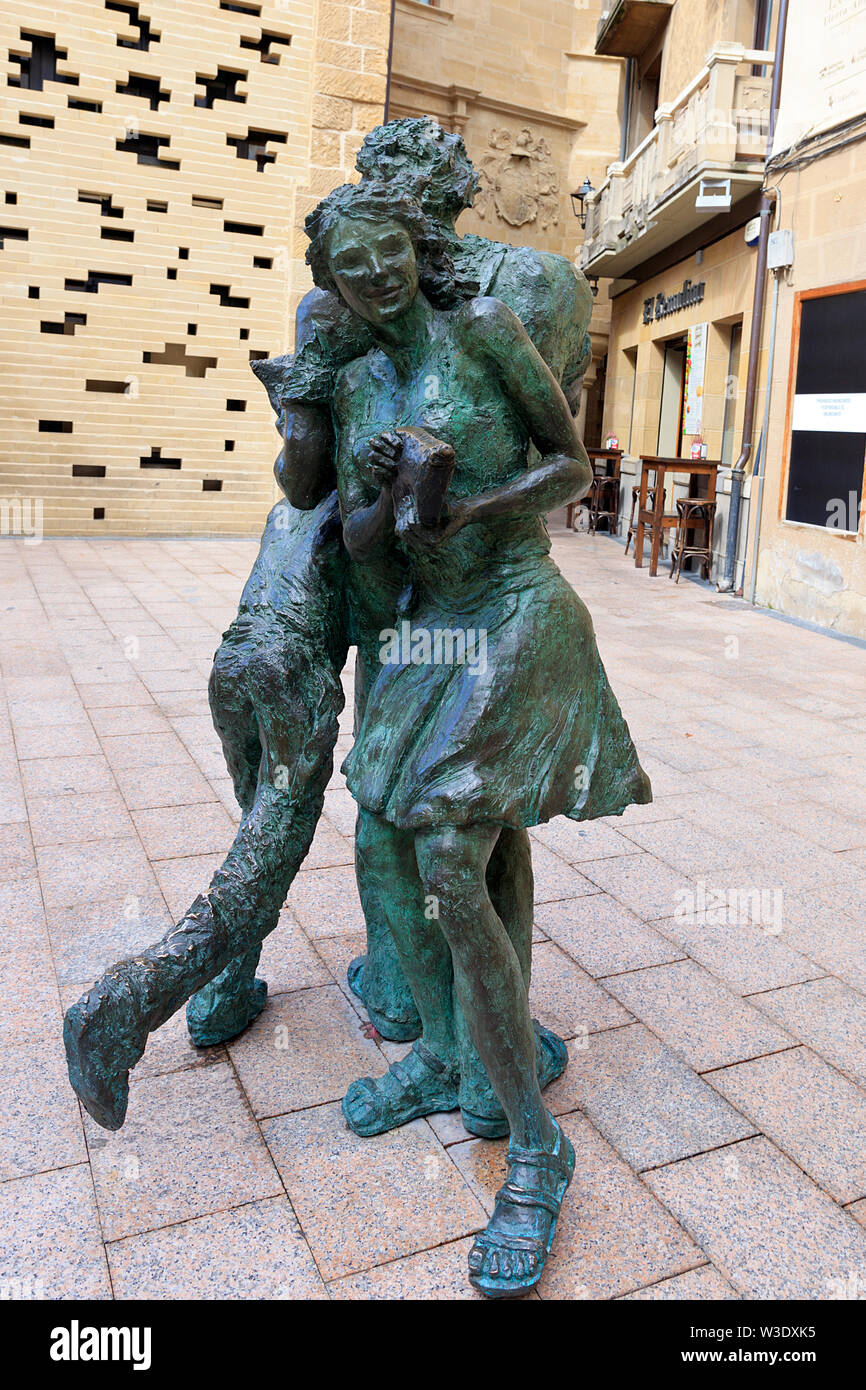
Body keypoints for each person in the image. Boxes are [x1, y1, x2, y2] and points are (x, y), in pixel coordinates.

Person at [303, 177, 650, 1297]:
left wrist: (471, 503)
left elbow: (573, 467)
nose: (373, 273)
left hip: (515, 605)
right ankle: (450, 1055)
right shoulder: (358, 381)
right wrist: (368, 499)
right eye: (348, 264)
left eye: (384, 250)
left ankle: (535, 1154)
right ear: (333, 286)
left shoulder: (487, 331)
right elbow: (363, 550)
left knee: (454, 852)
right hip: (428, 629)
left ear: (411, 245)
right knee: (392, 836)